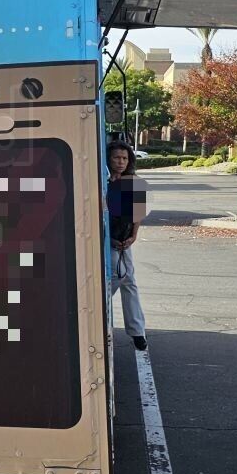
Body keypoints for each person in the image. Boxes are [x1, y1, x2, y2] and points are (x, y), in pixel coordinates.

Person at [106, 141, 148, 351]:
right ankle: (96, 313)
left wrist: (133, 236)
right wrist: (108, 239)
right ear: (108, 159)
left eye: (125, 158)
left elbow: (138, 213)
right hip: (106, 240)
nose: (121, 162)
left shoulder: (135, 182)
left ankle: (137, 331)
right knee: (116, 278)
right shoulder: (102, 182)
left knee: (129, 281)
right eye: (116, 157)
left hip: (125, 240)